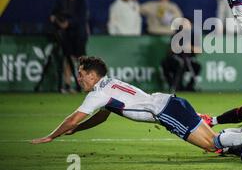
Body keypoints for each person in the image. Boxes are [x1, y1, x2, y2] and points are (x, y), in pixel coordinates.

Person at [30, 56, 218, 153]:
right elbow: (102, 116)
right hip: (174, 102)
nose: (78, 78)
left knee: (212, 146)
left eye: (81, 74)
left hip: (166, 113)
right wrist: (78, 129)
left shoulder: (99, 93)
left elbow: (72, 120)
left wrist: (51, 137)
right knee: (216, 142)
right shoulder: (109, 84)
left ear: (93, 76)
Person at [50, 0, 89, 93]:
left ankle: (83, 84)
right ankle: (67, 84)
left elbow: (82, 18)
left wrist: (69, 23)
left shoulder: (81, 0)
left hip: (79, 34)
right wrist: (57, 20)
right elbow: (54, 13)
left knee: (80, 60)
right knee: (67, 59)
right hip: (66, 35)